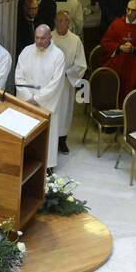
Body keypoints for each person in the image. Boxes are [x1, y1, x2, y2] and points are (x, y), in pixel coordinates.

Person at [15, 24, 69, 169]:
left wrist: (37, 99)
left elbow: (56, 83)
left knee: (47, 136)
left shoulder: (58, 55)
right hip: (27, 102)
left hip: (46, 103)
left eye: (43, 38)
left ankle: (47, 165)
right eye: (37, 38)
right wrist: (27, 97)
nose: (39, 42)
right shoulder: (26, 51)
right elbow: (18, 76)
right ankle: (26, 162)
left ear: (50, 37)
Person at [50, 11, 87, 158]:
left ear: (69, 23)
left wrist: (67, 73)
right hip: (51, 83)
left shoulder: (75, 40)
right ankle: (50, 139)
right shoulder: (49, 36)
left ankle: (62, 141)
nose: (59, 23)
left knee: (64, 112)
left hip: (66, 83)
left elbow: (80, 64)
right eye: (57, 20)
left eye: (63, 21)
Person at [100, 0, 136, 97]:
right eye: (128, 9)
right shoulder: (116, 24)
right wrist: (119, 47)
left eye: (133, 10)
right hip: (117, 61)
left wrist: (135, 49)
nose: (129, 12)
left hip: (135, 64)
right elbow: (105, 41)